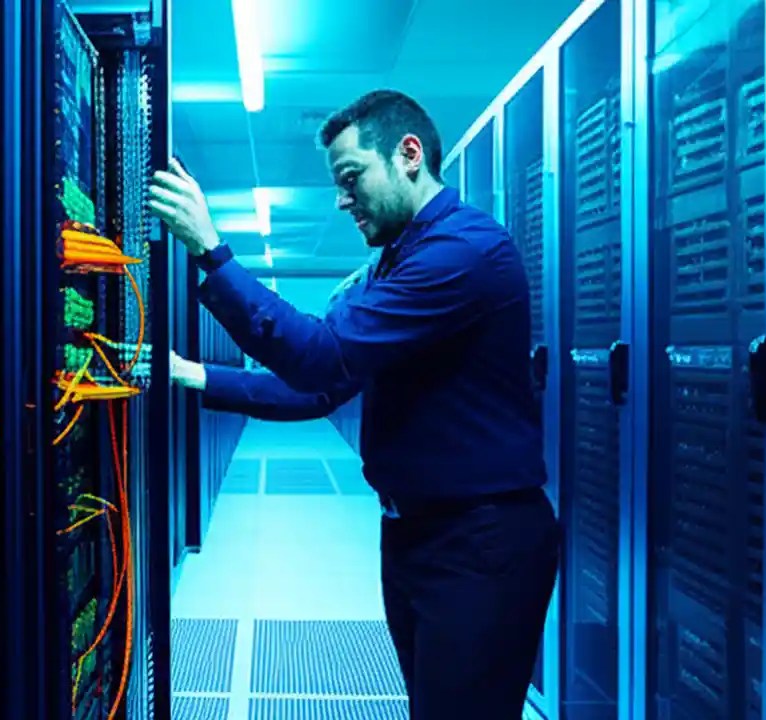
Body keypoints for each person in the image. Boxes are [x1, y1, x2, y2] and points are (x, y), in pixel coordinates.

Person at [147, 89, 559, 719]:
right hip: (420, 534)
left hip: (482, 543)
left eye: (351, 178)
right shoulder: (394, 263)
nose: (343, 200)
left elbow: (320, 358)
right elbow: (322, 390)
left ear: (409, 155)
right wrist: (195, 376)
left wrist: (211, 250)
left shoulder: (464, 253)